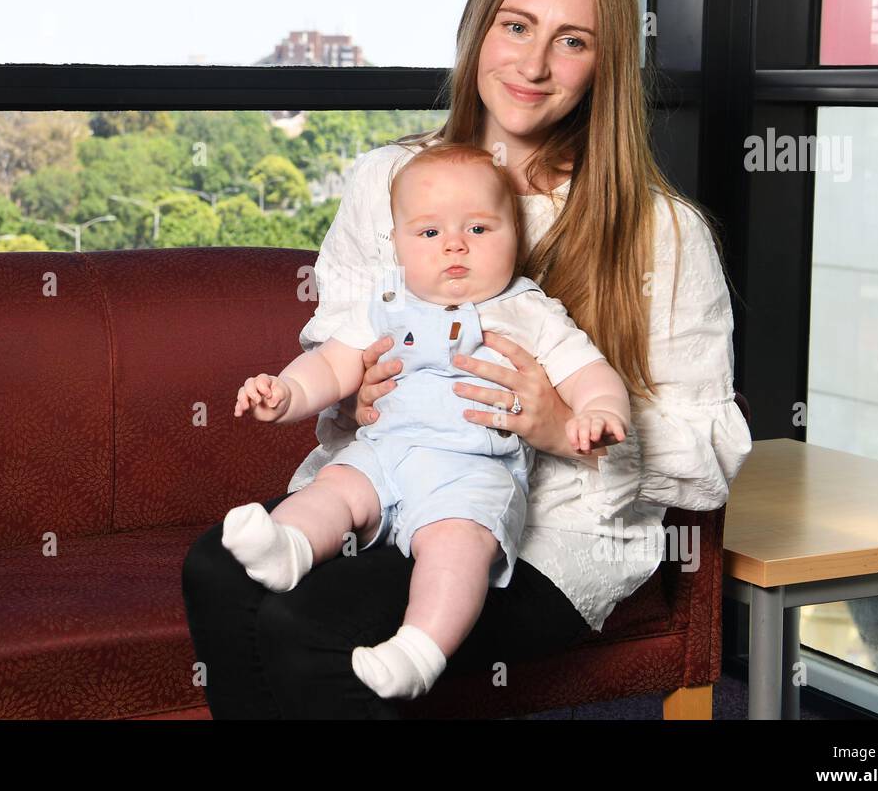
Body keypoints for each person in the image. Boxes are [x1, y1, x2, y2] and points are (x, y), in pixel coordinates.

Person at [182, 0, 754, 719]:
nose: (532, 63)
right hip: (388, 485)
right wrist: (357, 389)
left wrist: (562, 426)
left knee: (307, 626)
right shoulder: (386, 179)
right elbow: (336, 347)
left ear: (605, 65)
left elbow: (715, 454)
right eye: (515, 26)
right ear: (479, 27)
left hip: (551, 535)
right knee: (216, 568)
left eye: (572, 42)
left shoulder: (662, 231)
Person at [225, 143, 632, 700]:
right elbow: (332, 364)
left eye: (480, 230)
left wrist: (599, 411)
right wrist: (288, 392)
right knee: (334, 488)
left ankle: (420, 648)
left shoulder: (529, 311)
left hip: (469, 471)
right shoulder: (386, 302)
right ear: (397, 245)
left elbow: (590, 371)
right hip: (383, 452)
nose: (455, 245)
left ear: (517, 235)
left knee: (457, 546)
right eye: (429, 233)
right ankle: (290, 546)